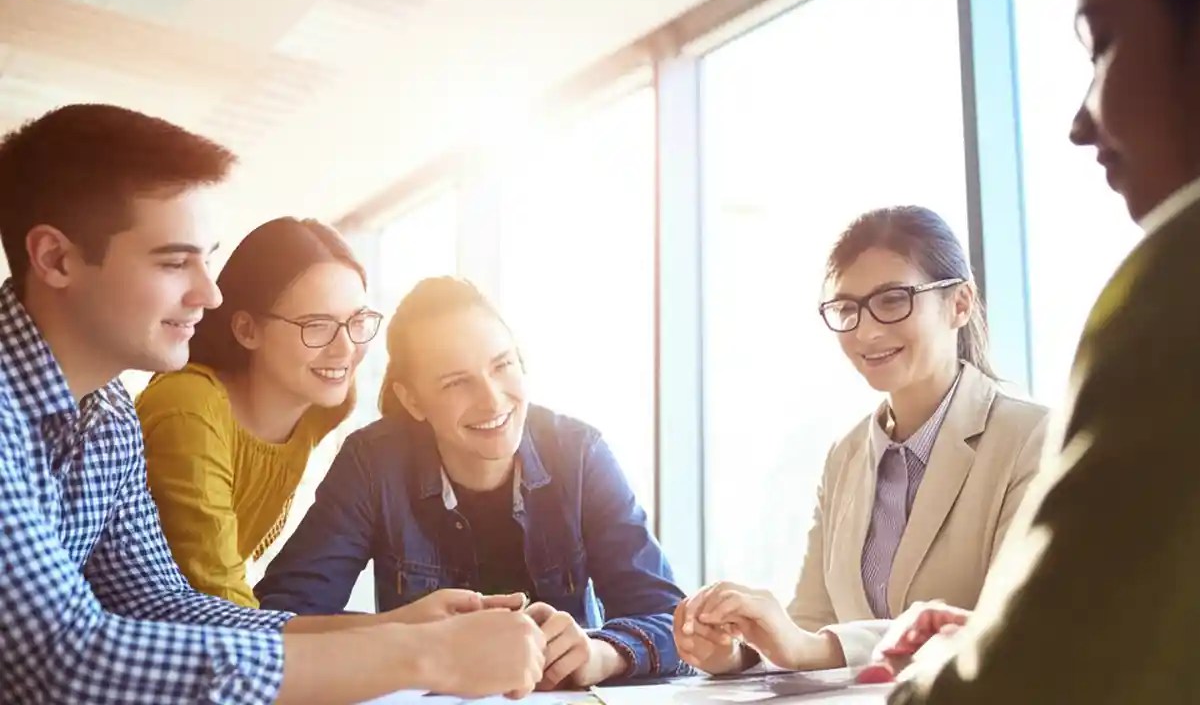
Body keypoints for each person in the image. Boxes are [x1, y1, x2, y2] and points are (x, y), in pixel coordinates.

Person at [0, 104, 545, 704]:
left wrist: (393, 630)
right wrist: (422, 657)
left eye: (206, 259)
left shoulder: (108, 414)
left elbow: (161, 603)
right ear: (56, 260)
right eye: (174, 262)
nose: (209, 293)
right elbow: (62, 659)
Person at [875, 0, 1200, 702]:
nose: (1078, 125)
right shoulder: (848, 458)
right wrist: (1009, 635)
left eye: (1103, 48)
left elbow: (1039, 689)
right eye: (845, 309)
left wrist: (987, 661)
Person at [255, 276, 690, 689]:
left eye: (502, 365)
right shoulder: (372, 464)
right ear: (413, 400)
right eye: (456, 382)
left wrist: (599, 654)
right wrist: (409, 638)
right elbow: (279, 620)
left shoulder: (580, 454)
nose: (492, 399)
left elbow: (675, 626)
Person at [674, 206, 1050, 674]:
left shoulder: (1033, 439)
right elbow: (809, 630)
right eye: (847, 309)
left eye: (893, 300)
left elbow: (1009, 628)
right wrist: (736, 653)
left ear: (960, 303)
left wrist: (814, 648)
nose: (867, 331)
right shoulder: (846, 455)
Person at [135, 217, 380, 607]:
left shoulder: (324, 406)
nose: (346, 349)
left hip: (207, 622)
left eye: (358, 321)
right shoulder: (188, 409)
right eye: (317, 325)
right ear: (247, 330)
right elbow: (216, 594)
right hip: (131, 631)